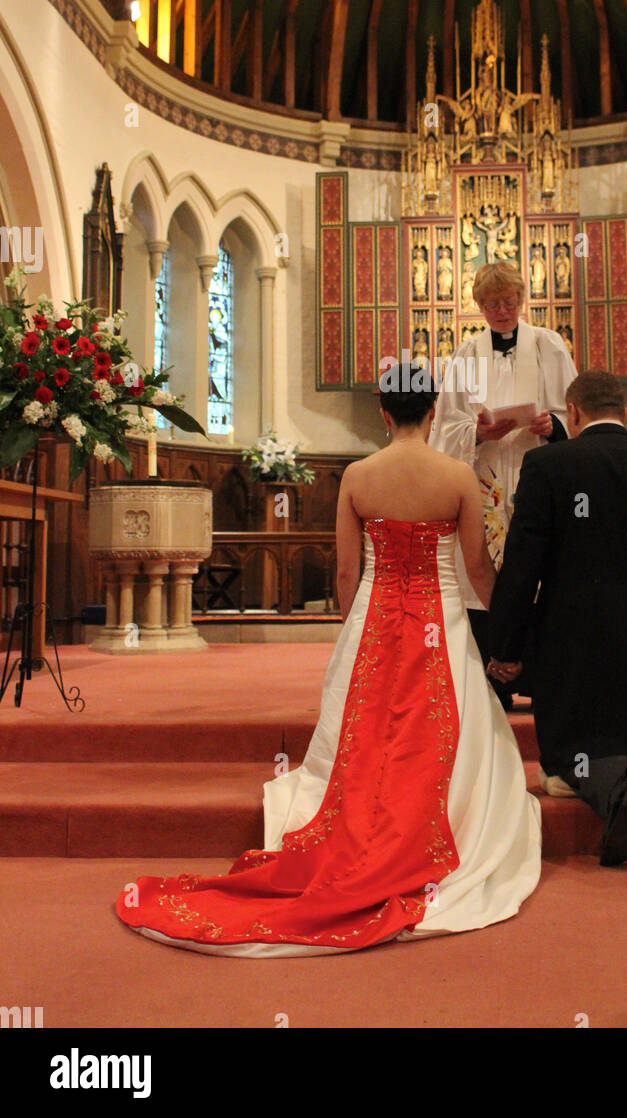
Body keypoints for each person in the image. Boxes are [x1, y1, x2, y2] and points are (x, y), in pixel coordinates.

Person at [115, 367, 541, 955]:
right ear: (436, 410)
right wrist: (512, 638)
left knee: (365, 737)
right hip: (441, 620)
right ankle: (437, 830)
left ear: (384, 415)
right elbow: (477, 570)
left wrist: (356, 626)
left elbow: (347, 571)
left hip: (376, 613)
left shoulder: (358, 477)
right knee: (440, 735)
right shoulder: (458, 476)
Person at [486, 370, 627, 867]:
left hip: (574, 641)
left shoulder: (547, 466)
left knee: (575, 751)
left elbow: (523, 568)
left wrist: (507, 648)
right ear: (625, 413)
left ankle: (621, 787)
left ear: (574, 412)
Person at [429, 260, 576, 708]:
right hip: (484, 482)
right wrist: (476, 431)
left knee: (539, 573)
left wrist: (553, 425)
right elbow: (445, 426)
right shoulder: (466, 354)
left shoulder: (549, 346)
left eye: (509, 302)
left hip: (538, 479)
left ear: (521, 300)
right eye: (491, 304)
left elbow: (576, 413)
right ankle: (494, 680)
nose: (501, 310)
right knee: (483, 574)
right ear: (478, 306)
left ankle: (539, 674)